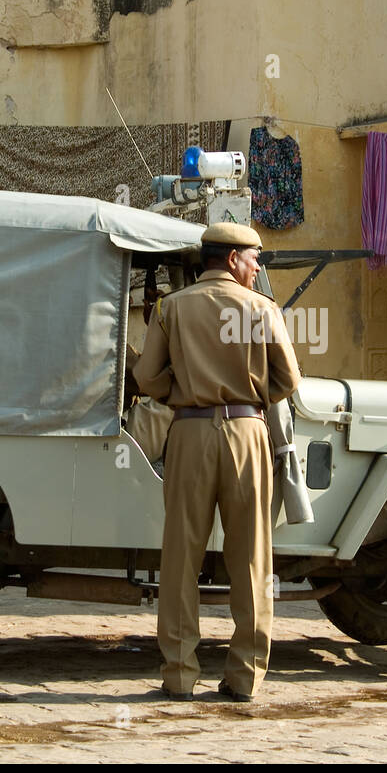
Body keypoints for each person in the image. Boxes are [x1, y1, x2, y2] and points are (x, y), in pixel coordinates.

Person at [133, 222, 301, 702]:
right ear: (232, 259)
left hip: (187, 432)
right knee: (250, 557)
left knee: (181, 555)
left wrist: (183, 391)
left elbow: (147, 379)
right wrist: (249, 400)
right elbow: (288, 380)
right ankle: (245, 676)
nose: (257, 267)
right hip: (247, 434)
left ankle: (180, 676)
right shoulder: (261, 309)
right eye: (254, 258)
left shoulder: (172, 308)